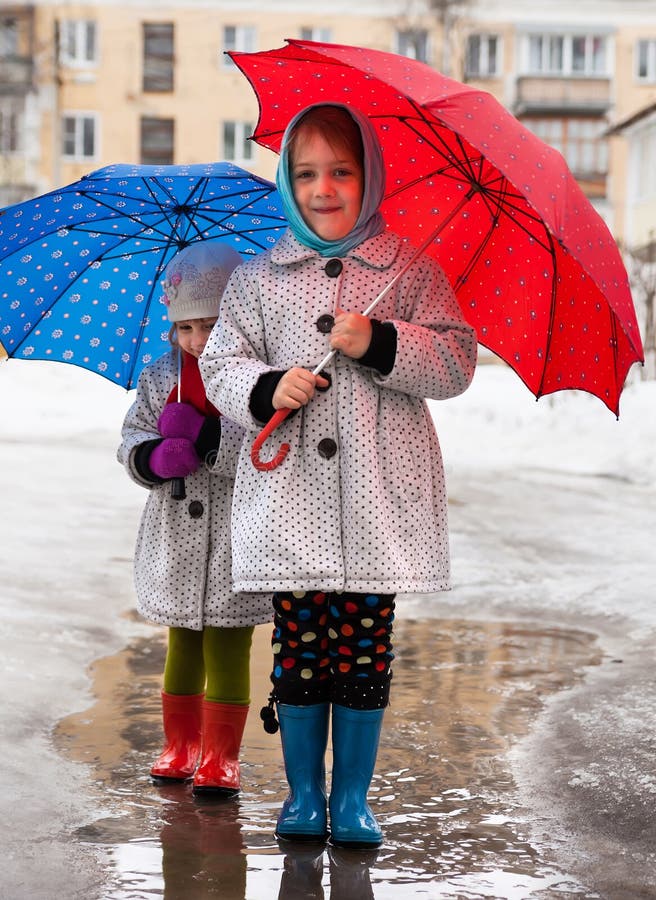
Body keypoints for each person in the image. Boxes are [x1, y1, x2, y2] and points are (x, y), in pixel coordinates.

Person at [200, 104, 477, 845]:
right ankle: (303, 795)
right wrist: (265, 387)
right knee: (300, 645)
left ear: (371, 178)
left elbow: (455, 362)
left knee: (362, 645)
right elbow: (221, 361)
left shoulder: (410, 269)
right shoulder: (259, 279)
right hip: (291, 496)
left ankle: (351, 797)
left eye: (342, 172)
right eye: (306, 173)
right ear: (288, 182)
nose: (323, 189)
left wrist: (382, 340)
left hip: (376, 502)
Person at [118, 241, 272, 798]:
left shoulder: (252, 378)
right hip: (176, 535)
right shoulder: (162, 376)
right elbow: (132, 434)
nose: (196, 340)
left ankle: (221, 757)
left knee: (229, 646)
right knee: (181, 642)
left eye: (209, 325)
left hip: (236, 538)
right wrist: (152, 456)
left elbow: (268, 450)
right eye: (185, 327)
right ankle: (179, 746)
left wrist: (208, 438)